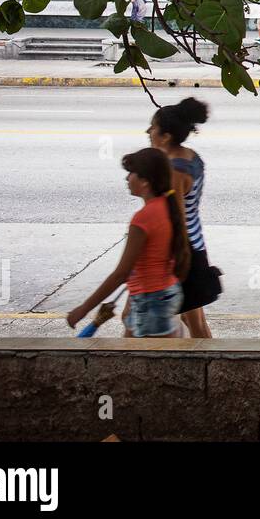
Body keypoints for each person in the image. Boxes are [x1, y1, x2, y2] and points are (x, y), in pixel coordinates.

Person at [67, 148, 191, 338]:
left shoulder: (143, 218)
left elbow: (120, 274)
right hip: (163, 294)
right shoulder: (167, 206)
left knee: (153, 363)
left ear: (144, 181)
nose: (127, 179)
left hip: (151, 302)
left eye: (131, 173)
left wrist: (83, 310)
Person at [148, 97, 220, 338]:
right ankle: (209, 365)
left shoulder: (175, 170)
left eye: (153, 128)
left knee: (142, 317)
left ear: (166, 136)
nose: (148, 132)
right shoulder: (190, 156)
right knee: (195, 321)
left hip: (181, 251)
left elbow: (174, 217)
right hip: (193, 246)